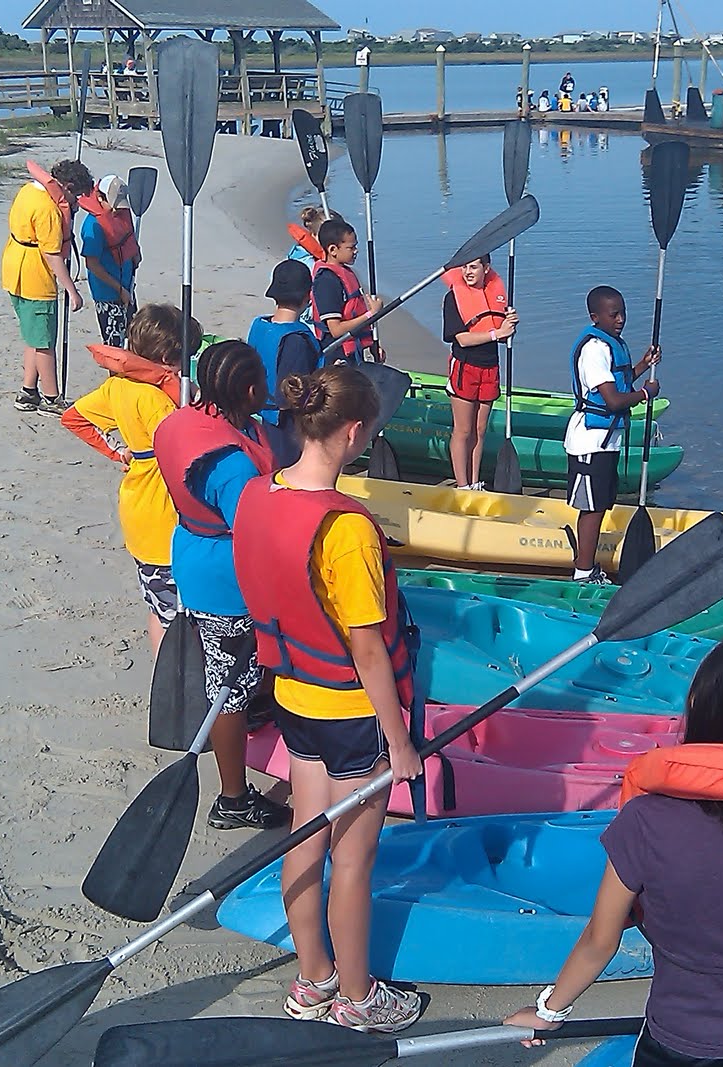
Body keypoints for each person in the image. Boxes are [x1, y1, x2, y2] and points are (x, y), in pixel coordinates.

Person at [504, 634, 723, 1066]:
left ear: (697, 711)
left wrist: (548, 1012)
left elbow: (599, 941)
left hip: (684, 1041)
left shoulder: (645, 822)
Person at [231, 364, 426, 1033]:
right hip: (350, 712)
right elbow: (369, 648)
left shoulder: (258, 492)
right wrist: (400, 743)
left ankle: (311, 976)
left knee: (305, 831)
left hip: (293, 696)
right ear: (352, 433)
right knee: (353, 855)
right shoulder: (347, 529)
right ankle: (357, 994)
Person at [151, 340, 291, 831]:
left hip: (193, 551)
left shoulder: (194, 418)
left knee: (236, 677)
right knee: (228, 688)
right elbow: (252, 531)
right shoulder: (230, 466)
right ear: (249, 390)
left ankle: (250, 713)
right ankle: (233, 797)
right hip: (224, 577)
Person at [61, 304, 197, 655]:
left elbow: (74, 418)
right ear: (168, 358)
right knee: (179, 616)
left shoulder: (118, 386)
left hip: (137, 508)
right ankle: (176, 682)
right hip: (164, 519)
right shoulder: (157, 400)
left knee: (157, 609)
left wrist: (119, 451)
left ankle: (160, 677)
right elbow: (185, 453)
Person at [566, 286, 659, 584]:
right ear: (595, 317)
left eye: (623, 313)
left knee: (602, 505)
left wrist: (643, 366)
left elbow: (619, 381)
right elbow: (613, 401)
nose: (620, 319)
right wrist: (646, 393)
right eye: (613, 314)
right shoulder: (594, 349)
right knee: (591, 509)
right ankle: (582, 572)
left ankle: (587, 567)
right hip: (590, 440)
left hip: (606, 440)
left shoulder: (613, 345)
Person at [2, 159, 92, 414]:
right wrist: (72, 291)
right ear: (68, 186)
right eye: (76, 195)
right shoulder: (48, 210)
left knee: (32, 336)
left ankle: (28, 391)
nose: (76, 202)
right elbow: (52, 255)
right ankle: (52, 399)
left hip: (13, 268)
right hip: (35, 278)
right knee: (44, 341)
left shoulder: (28, 190)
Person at [442, 255, 517, 491]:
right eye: (465, 267)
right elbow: (462, 339)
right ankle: (462, 484)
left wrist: (510, 325)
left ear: (486, 268)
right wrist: (498, 333)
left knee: (480, 430)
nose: (468, 272)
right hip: (465, 366)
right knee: (463, 429)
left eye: (473, 267)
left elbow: (504, 334)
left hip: (490, 367)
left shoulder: (496, 295)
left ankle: (475, 482)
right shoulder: (453, 297)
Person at [248, 260, 324, 460]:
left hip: (263, 416)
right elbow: (295, 395)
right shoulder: (296, 341)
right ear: (308, 296)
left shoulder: (260, 326)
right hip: (287, 426)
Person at [310, 218, 384, 365]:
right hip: (337, 356)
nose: (356, 251)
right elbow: (336, 330)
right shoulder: (326, 281)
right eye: (351, 248)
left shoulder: (345, 272)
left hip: (353, 350)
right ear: (333, 250)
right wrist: (371, 314)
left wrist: (372, 345)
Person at [79, 174, 141, 348]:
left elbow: (128, 240)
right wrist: (118, 289)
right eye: (112, 205)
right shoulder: (93, 225)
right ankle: (115, 375)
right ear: (100, 198)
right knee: (115, 345)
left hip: (127, 287)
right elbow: (91, 264)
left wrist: (135, 252)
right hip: (107, 294)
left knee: (135, 339)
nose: (116, 210)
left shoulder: (122, 213)